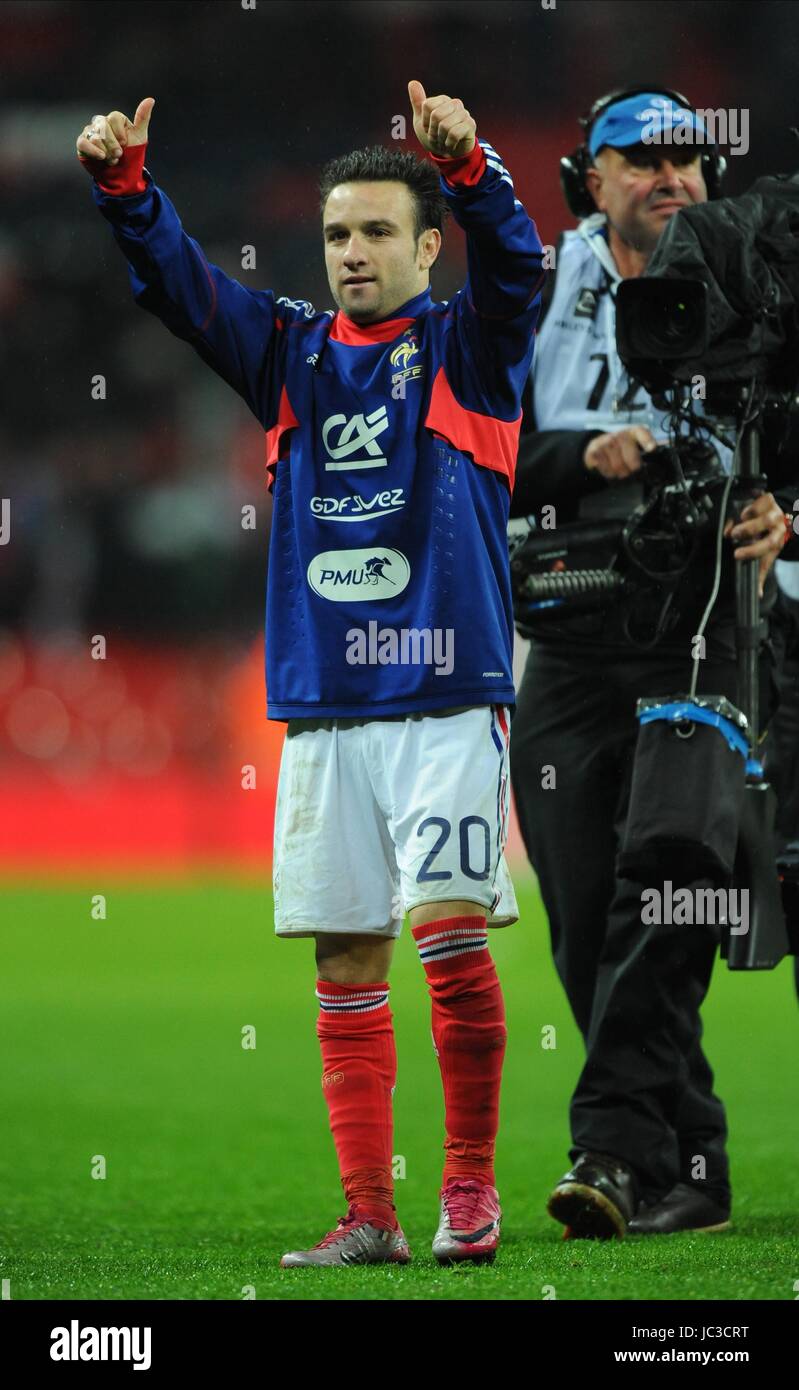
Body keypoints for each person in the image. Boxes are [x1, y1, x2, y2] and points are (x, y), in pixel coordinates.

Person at [76, 85, 545, 1266]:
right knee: (345, 961)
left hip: (443, 695)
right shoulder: (286, 352)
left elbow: (521, 271)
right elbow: (183, 291)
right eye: (338, 233)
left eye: (379, 231)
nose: (352, 252)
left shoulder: (470, 347)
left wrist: (474, 166)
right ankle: (369, 1216)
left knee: (446, 938)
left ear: (427, 246)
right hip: (324, 708)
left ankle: (471, 1193)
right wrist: (127, 192)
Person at [508, 87, 794, 1238]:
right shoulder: (525, 289)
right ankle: (688, 1160)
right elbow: (480, 457)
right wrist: (583, 454)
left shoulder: (765, 280)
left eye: (688, 158)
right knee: (582, 908)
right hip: (573, 630)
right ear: (589, 179)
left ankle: (615, 1153)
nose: (670, 177)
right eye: (641, 160)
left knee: (670, 867)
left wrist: (791, 512)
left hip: (717, 617)